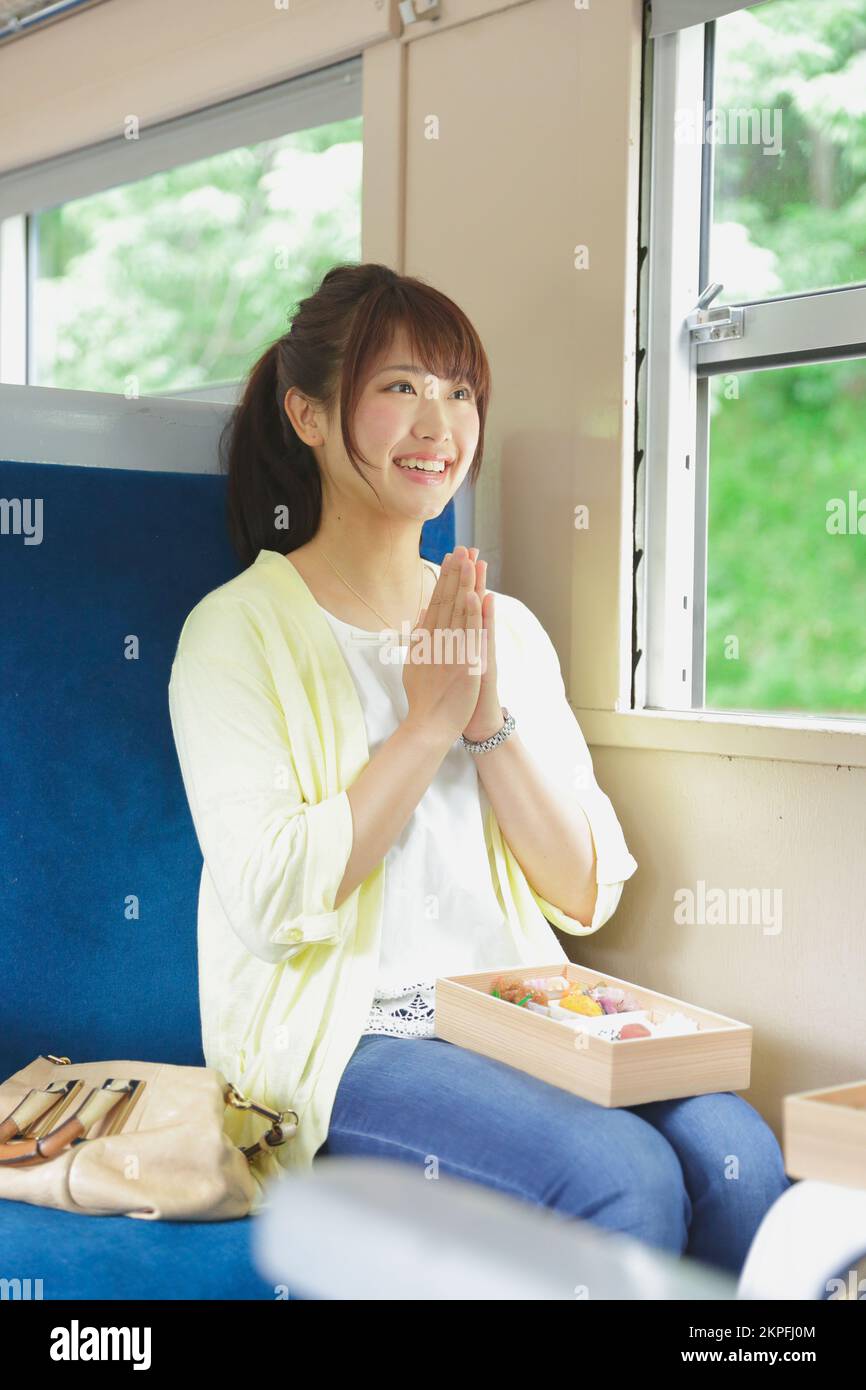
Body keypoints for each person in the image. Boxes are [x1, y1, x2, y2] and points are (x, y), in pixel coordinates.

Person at [168, 262, 790, 1280]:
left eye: (459, 392)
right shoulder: (234, 633)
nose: (438, 424)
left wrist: (486, 716)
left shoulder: (503, 628)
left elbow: (583, 890)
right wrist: (425, 726)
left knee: (739, 1159)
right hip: (341, 1042)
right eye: (399, 386)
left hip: (516, 1013)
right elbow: (272, 900)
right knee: (619, 1175)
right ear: (308, 415)